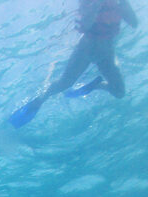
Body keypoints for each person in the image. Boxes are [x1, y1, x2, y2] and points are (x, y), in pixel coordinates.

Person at [8, 0, 139, 128]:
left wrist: (124, 5)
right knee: (65, 83)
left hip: (107, 52)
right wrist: (95, 7)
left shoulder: (120, 3)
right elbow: (85, 26)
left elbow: (134, 23)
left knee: (119, 92)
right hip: (86, 50)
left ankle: (96, 85)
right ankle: (38, 101)